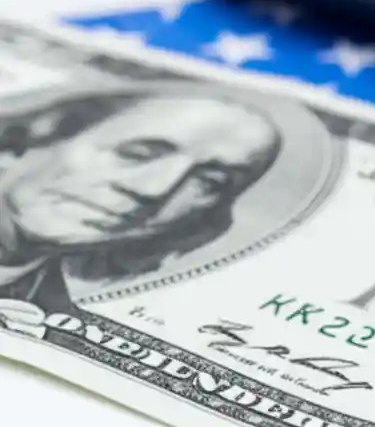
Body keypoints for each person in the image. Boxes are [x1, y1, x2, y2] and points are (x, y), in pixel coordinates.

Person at [0, 88, 281, 309]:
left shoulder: (49, 313)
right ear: (23, 144)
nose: (154, 189)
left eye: (209, 183)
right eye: (137, 154)